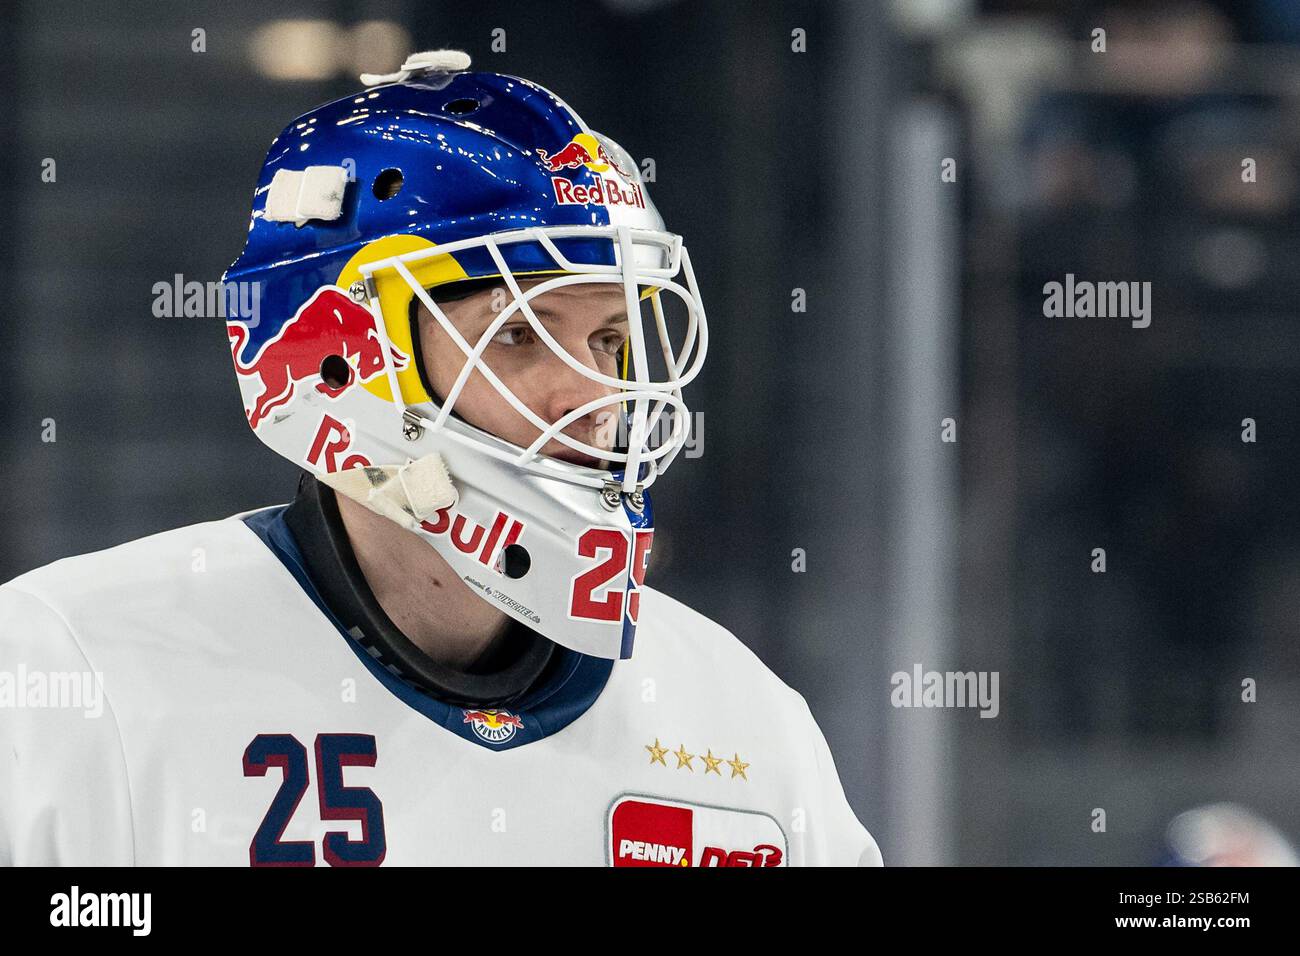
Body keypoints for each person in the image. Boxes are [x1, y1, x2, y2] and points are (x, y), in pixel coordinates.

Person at [0, 50, 881, 867]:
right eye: (522, 335)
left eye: (609, 339)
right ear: (342, 358)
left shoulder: (746, 728)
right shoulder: (69, 674)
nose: (597, 398)